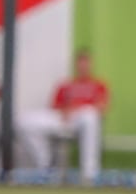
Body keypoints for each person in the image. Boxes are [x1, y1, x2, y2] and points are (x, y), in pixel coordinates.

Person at [19, 48, 109, 183]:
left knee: (90, 116)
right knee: (25, 121)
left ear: (91, 64)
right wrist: (65, 111)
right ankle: (46, 165)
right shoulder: (65, 85)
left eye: (86, 62)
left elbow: (101, 108)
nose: (83, 66)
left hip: (83, 120)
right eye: (80, 62)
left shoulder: (98, 85)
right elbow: (54, 107)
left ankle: (89, 174)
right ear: (76, 64)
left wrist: (76, 108)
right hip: (63, 119)